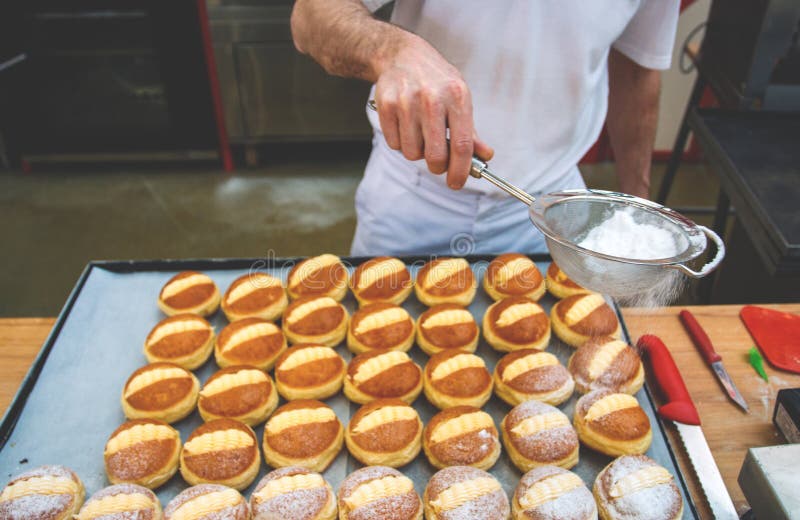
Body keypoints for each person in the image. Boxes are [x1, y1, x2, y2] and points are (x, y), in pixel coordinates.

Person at [291, 1, 680, 255]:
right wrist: (390, 49)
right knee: (379, 360)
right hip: (411, 199)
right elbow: (309, 17)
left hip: (551, 209)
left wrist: (638, 214)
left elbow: (637, 70)